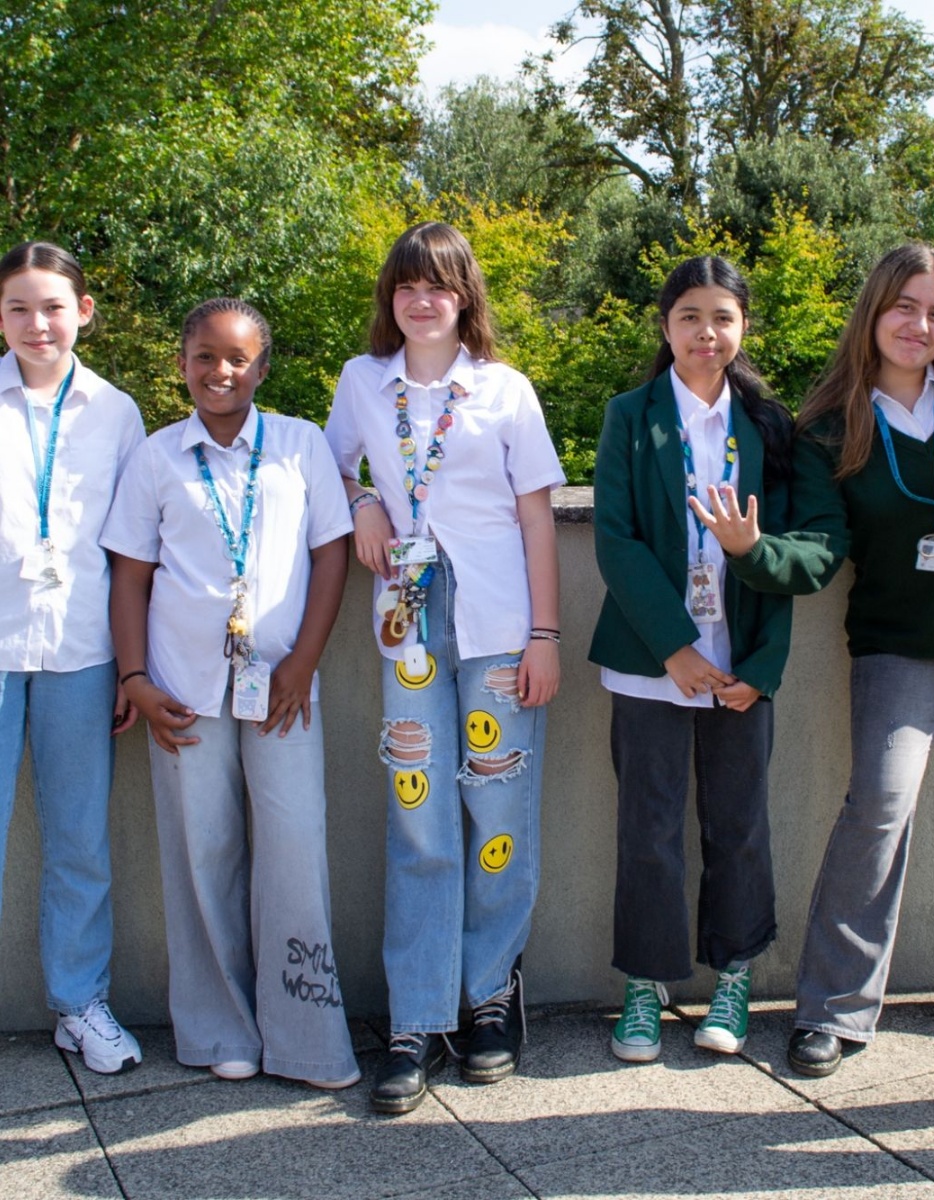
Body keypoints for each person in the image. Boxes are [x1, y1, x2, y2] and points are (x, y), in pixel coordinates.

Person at [693, 242, 934, 1077]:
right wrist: (753, 551)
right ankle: (833, 1008)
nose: (920, 325)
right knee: (880, 807)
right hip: (900, 640)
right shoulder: (830, 425)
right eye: (905, 307)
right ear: (875, 312)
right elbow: (818, 554)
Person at [325, 222, 563, 1114]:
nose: (422, 301)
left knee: (496, 807)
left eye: (440, 287)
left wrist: (545, 634)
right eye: (406, 287)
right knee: (419, 814)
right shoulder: (361, 382)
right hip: (410, 630)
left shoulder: (504, 390)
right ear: (391, 299)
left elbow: (539, 518)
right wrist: (362, 502)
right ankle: (416, 1016)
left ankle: (491, 995)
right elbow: (330, 460)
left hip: (499, 625)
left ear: (466, 298)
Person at [103, 298, 359, 1089]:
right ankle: (222, 1031)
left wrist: (303, 662)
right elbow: (131, 577)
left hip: (282, 686)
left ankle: (307, 1037)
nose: (221, 372)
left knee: (294, 848)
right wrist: (136, 679)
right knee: (201, 851)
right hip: (181, 689)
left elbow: (332, 556)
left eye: (238, 358)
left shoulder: (299, 445)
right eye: (204, 357)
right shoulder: (155, 459)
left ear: (264, 367)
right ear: (181, 365)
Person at [589, 256, 793, 1062]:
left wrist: (765, 669)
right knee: (648, 827)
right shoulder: (629, 417)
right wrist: (673, 645)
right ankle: (645, 987)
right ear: (665, 326)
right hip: (651, 661)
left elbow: (790, 554)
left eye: (723, 318)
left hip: (740, 664)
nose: (706, 333)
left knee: (739, 824)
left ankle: (735, 976)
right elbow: (615, 538)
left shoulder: (772, 426)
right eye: (689, 318)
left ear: (744, 327)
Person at [0, 242, 144, 1074]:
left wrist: (132, 666)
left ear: (83, 312)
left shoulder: (115, 413)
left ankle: (78, 1002)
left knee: (80, 840)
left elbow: (132, 555)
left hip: (82, 650)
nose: (37, 323)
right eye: (19, 308)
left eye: (52, 306)